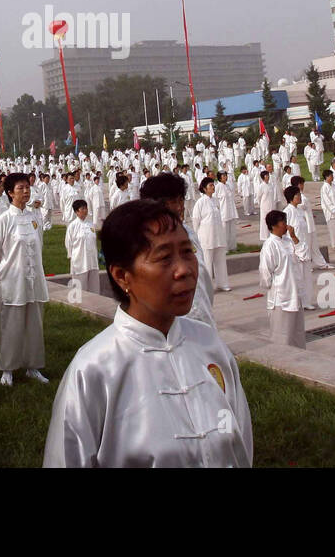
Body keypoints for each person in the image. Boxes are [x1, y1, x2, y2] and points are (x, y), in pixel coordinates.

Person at [43, 200, 253, 467]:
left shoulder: (210, 345)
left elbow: (241, 444)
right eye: (165, 258)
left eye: (187, 252)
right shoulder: (94, 369)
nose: (185, 270)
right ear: (122, 276)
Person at [0, 172, 49, 387]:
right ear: (10, 193)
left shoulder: (34, 218)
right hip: (12, 282)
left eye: (27, 187)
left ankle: (33, 367)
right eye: (20, 188)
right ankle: (8, 369)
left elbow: (38, 246)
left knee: (34, 324)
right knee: (11, 325)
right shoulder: (3, 220)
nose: (26, 191)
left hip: (33, 281)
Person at [140, 171, 215, 329]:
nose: (180, 207)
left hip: (202, 316)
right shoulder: (146, 241)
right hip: (173, 324)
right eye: (173, 201)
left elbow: (204, 278)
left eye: (181, 199)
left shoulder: (188, 233)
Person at [260, 210, 305, 347]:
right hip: (281, 296)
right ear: (274, 226)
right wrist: (274, 286)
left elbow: (303, 254)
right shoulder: (270, 245)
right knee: (282, 336)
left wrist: (294, 237)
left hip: (295, 292)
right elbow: (265, 272)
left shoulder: (288, 240)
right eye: (283, 222)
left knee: (297, 333)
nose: (286, 225)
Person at [191, 176, 229, 291]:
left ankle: (222, 284)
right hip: (206, 237)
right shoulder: (200, 202)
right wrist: (197, 237)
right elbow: (196, 221)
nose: (213, 187)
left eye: (213, 185)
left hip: (218, 235)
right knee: (207, 263)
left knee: (220, 261)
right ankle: (208, 287)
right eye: (210, 185)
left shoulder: (215, 200)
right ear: (204, 188)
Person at [65, 199, 99, 296]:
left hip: (92, 259)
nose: (85, 210)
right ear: (76, 211)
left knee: (94, 286)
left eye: (86, 208)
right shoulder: (72, 226)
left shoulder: (90, 224)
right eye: (82, 208)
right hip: (79, 260)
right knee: (80, 286)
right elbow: (68, 243)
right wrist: (72, 257)